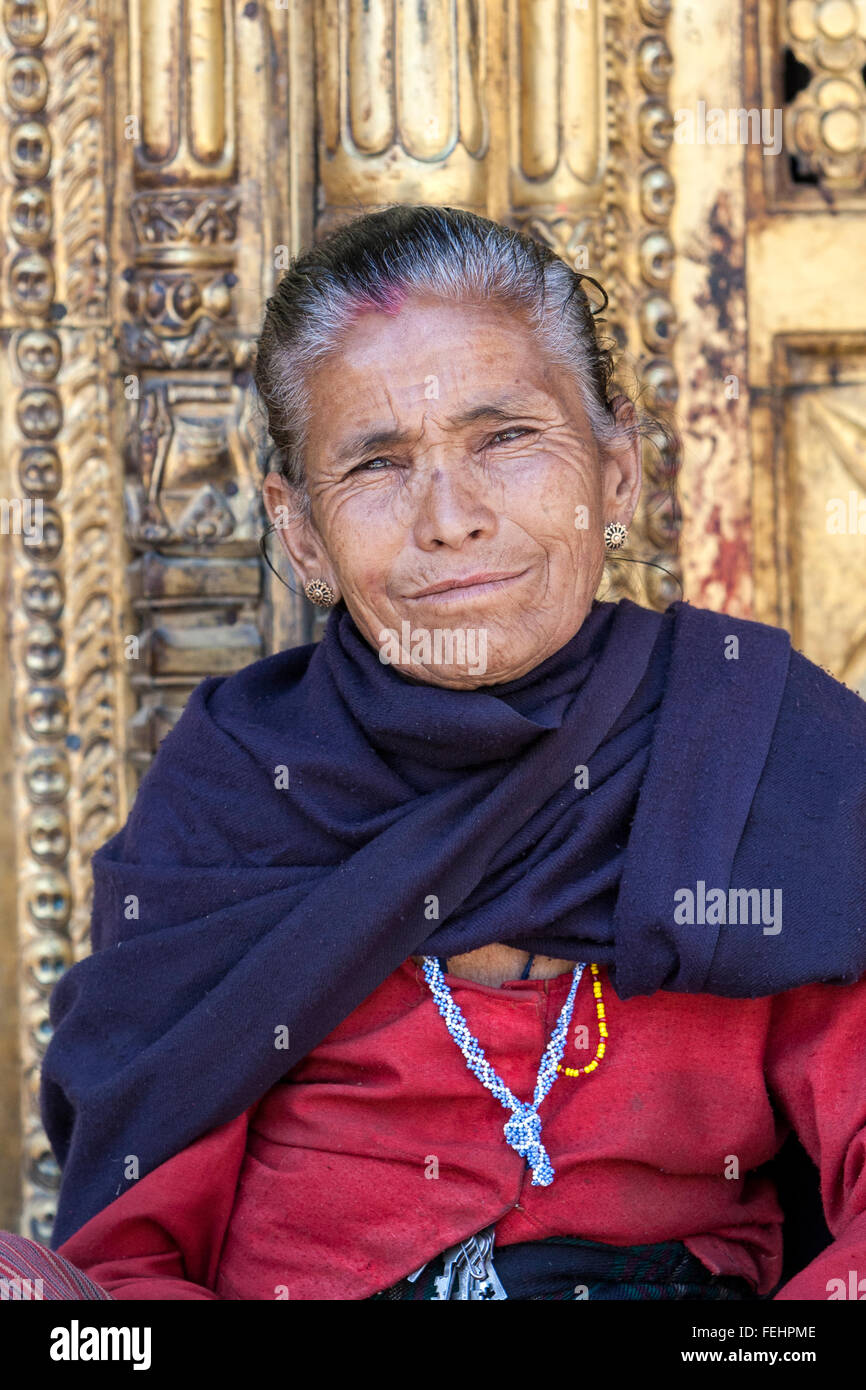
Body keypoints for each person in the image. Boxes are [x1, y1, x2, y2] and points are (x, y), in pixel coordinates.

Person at [3, 205, 865, 1300]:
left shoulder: (756, 747)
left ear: (616, 471)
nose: (450, 517)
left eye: (505, 438)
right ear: (301, 532)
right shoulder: (236, 793)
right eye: (377, 463)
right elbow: (132, 1260)